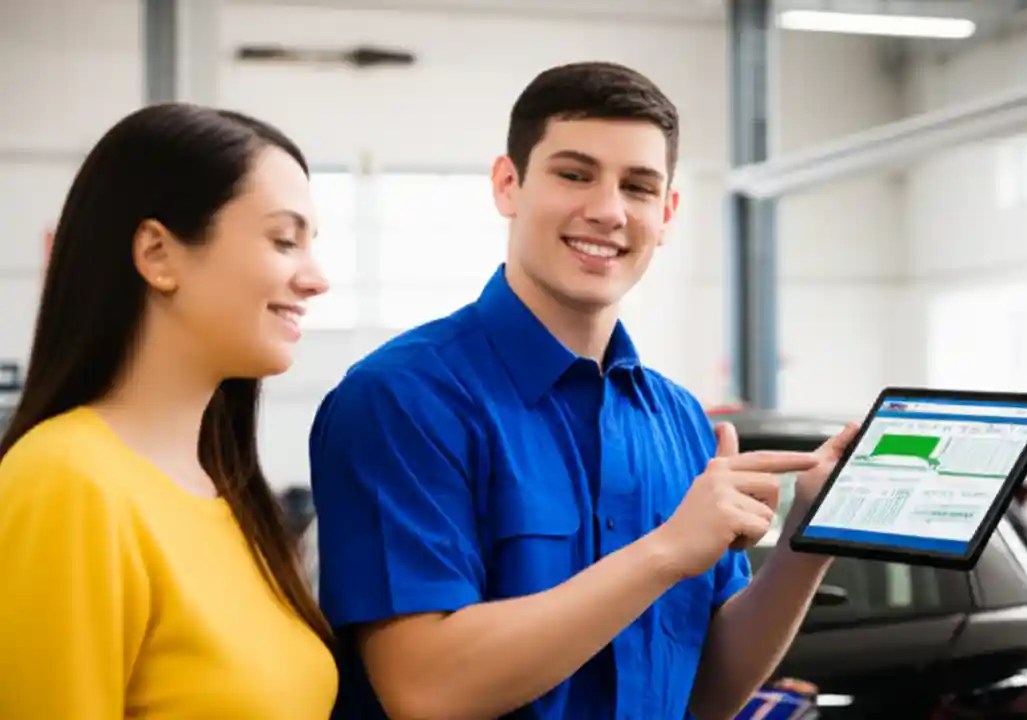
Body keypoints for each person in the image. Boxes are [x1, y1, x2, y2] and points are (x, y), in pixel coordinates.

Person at [309, 61, 858, 720]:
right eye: (574, 175)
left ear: (667, 212)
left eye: (638, 186)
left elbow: (703, 698)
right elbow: (427, 690)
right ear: (507, 184)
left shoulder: (678, 420)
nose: (606, 211)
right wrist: (665, 552)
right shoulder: (402, 400)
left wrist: (807, 544)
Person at [0, 103, 337, 718]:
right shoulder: (66, 484)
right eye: (285, 240)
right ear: (158, 254)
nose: (316, 279)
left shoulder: (227, 495)